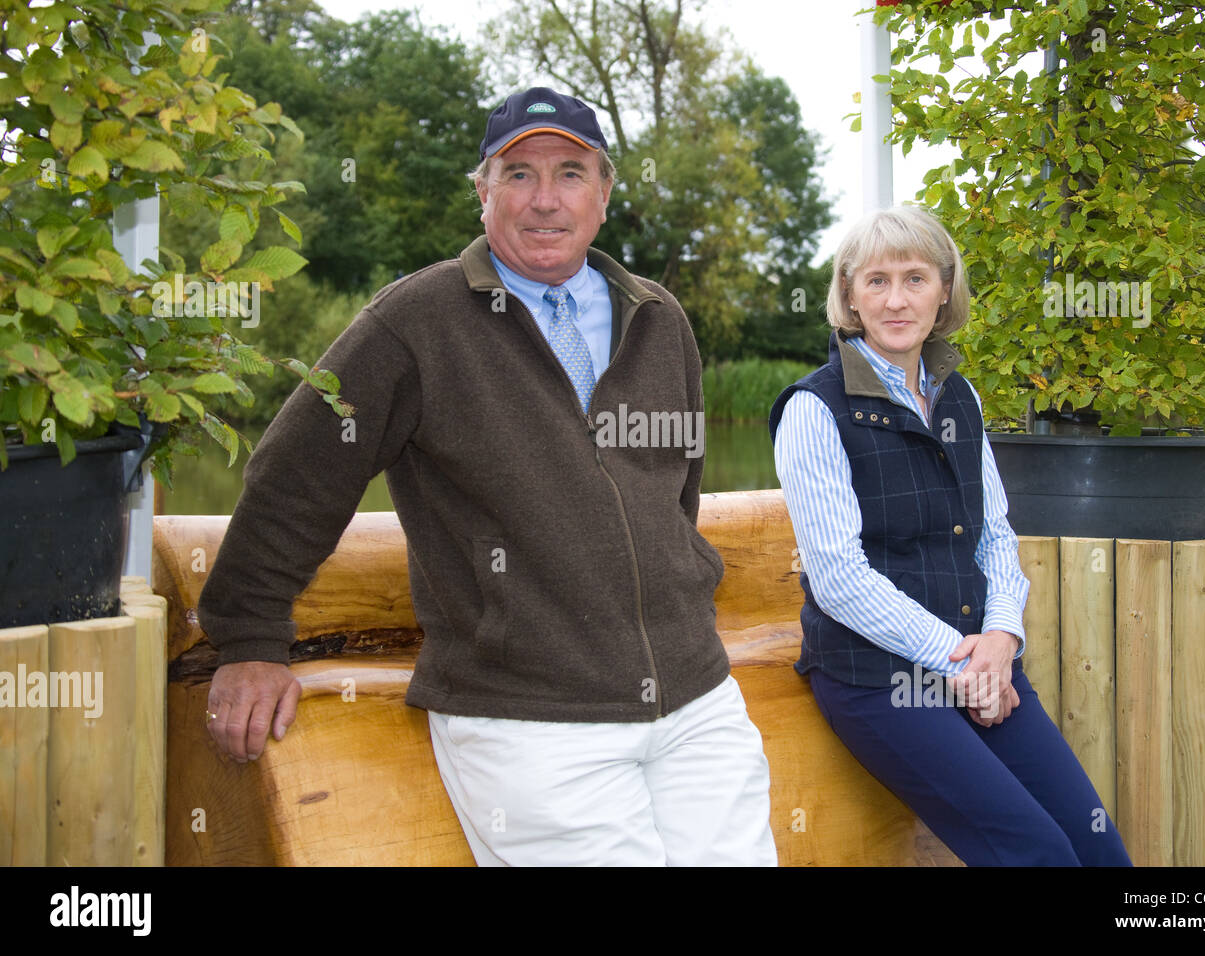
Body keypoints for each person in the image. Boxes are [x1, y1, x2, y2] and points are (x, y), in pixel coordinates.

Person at [199, 87, 777, 866]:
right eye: (517, 175)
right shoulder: (414, 323)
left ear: (604, 194)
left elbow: (675, 492)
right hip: (530, 718)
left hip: (698, 699)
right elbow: (294, 478)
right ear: (483, 193)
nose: (545, 200)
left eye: (570, 173)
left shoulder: (658, 317)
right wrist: (248, 638)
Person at [769, 205, 1131, 866]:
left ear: (944, 290)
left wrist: (1001, 640)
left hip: (978, 662)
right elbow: (839, 579)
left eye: (915, 278)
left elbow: (994, 538)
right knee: (1037, 854)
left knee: (1099, 848)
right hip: (876, 680)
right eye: (876, 281)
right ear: (849, 296)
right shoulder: (812, 410)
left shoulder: (958, 396)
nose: (897, 299)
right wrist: (962, 662)